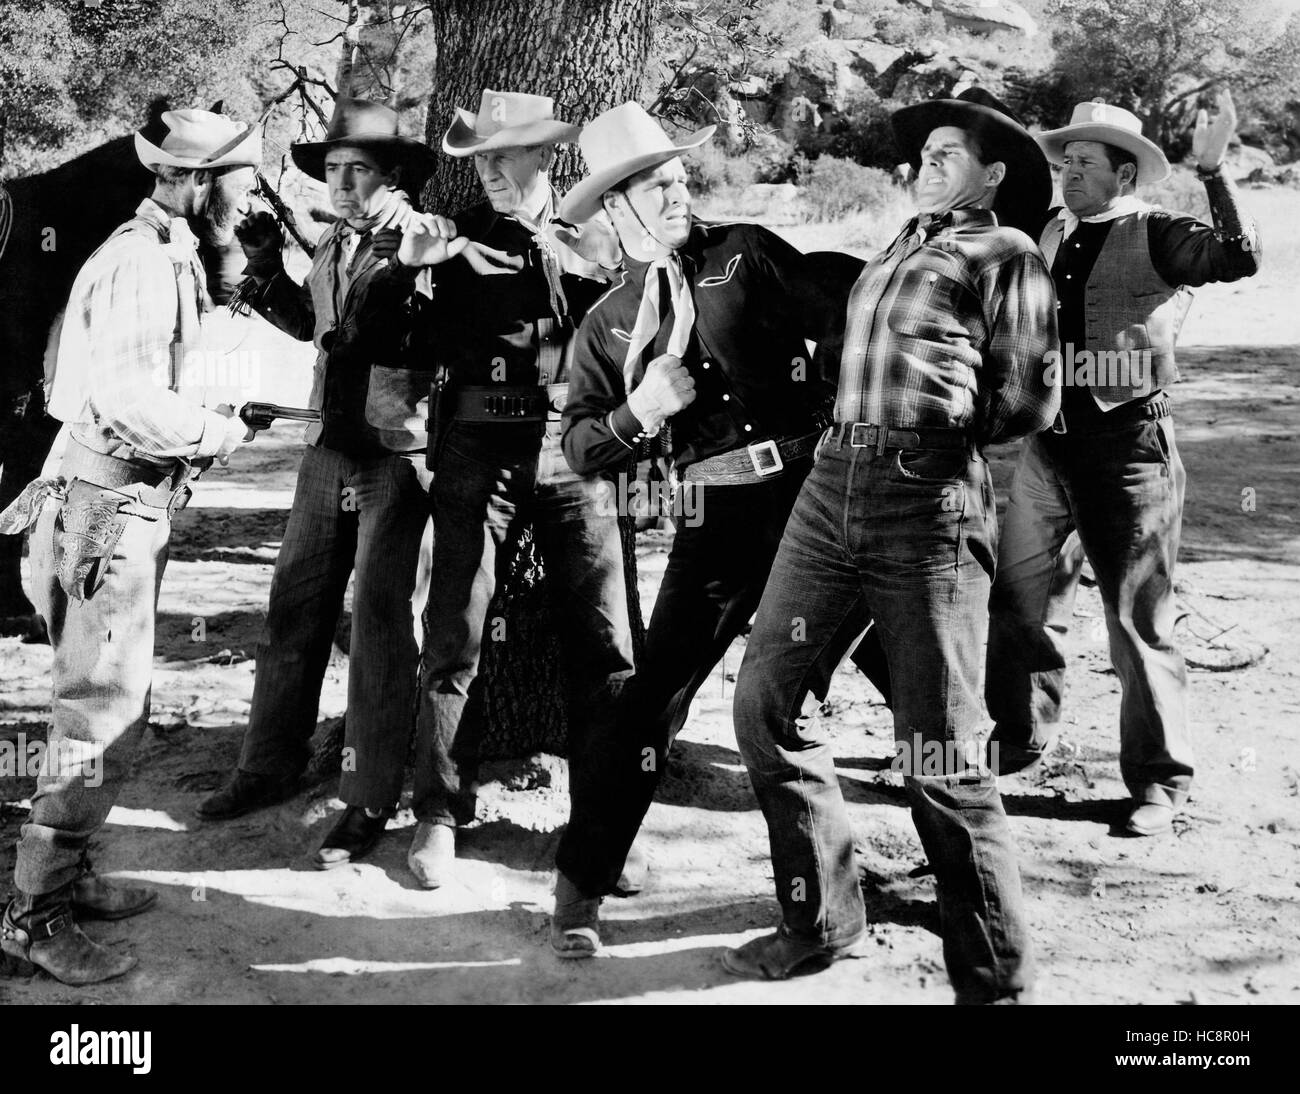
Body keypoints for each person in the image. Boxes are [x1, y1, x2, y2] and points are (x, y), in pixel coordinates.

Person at [728, 89, 1059, 1004]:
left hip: (927, 499)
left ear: (993, 175)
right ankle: (821, 917)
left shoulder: (1008, 253)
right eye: (924, 154)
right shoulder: (898, 244)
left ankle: (996, 980)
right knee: (765, 703)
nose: (927, 165)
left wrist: (932, 447)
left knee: (941, 757)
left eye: (950, 153)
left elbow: (1028, 400)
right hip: (830, 484)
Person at [552, 101, 888, 958]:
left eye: (675, 179)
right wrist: (639, 410)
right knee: (652, 702)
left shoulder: (743, 255)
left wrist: (839, 403)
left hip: (816, 501)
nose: (675, 196)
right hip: (714, 523)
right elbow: (582, 444)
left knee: (916, 678)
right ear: (613, 208)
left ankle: (969, 868)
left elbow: (854, 304)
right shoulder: (612, 321)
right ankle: (581, 887)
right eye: (651, 188)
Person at [0, 108, 261, 984]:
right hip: (107, 506)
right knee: (97, 712)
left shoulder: (166, 249)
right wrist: (216, 432)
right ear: (194, 181)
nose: (250, 197)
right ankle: (32, 915)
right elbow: (124, 397)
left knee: (112, 703)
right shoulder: (140, 262)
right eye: (241, 180)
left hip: (114, 499)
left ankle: (67, 880)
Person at [984, 92, 1262, 837]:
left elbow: (1239, 257)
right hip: (1048, 447)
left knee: (1138, 620)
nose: (1069, 172)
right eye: (1064, 159)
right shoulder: (1044, 231)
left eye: (1085, 162)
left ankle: (1160, 783)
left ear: (1125, 174)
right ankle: (1019, 737)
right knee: (1017, 602)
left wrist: (1213, 172)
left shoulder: (1159, 233)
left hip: (1129, 447)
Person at [398, 90, 634, 891]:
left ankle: (600, 828)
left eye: (505, 156)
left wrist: (590, 268)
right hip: (478, 452)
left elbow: (642, 337)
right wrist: (411, 274)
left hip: (574, 455)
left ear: (544, 158)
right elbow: (386, 340)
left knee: (604, 643)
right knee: (454, 627)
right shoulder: (452, 237)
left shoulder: (600, 241)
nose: (491, 173)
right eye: (480, 160)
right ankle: (437, 812)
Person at [197, 100, 437, 870]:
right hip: (327, 449)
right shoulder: (340, 238)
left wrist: (391, 287)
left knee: (376, 626)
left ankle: (366, 800)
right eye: (332, 169)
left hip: (396, 454)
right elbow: (311, 325)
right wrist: (266, 267)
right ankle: (267, 765)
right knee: (292, 609)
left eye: (356, 169)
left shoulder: (423, 244)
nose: (339, 182)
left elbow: (414, 339)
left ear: (392, 175)